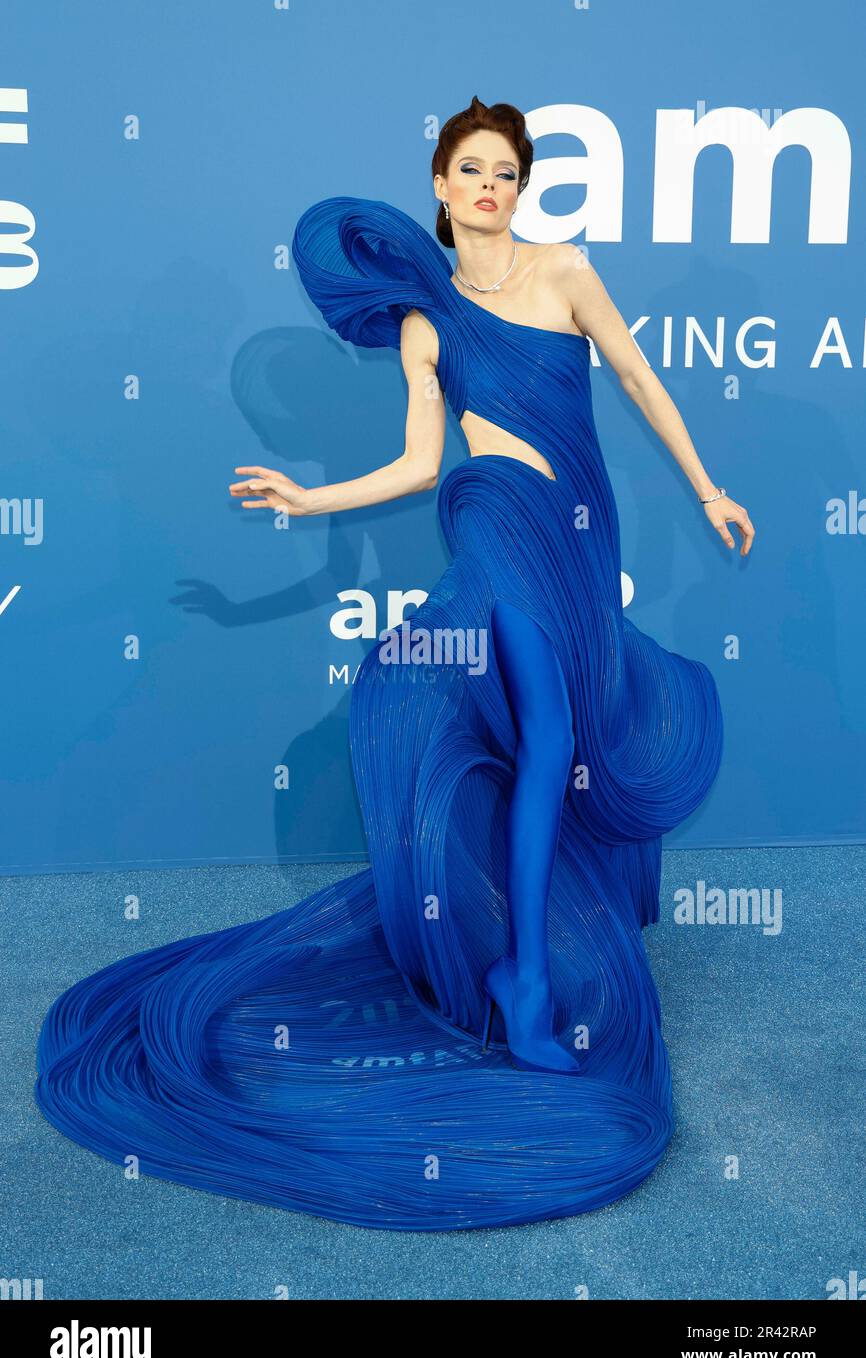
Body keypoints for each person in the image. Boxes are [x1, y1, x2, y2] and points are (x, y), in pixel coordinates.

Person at [35, 96, 749, 1231]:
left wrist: (706, 484)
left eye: (504, 172)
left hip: (578, 529)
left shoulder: (564, 271)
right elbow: (422, 463)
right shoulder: (427, 325)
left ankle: (539, 940)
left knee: (570, 734)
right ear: (438, 180)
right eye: (470, 169)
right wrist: (308, 495)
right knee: (550, 738)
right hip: (491, 522)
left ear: (521, 188)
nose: (486, 187)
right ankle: (519, 985)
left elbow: (636, 379)